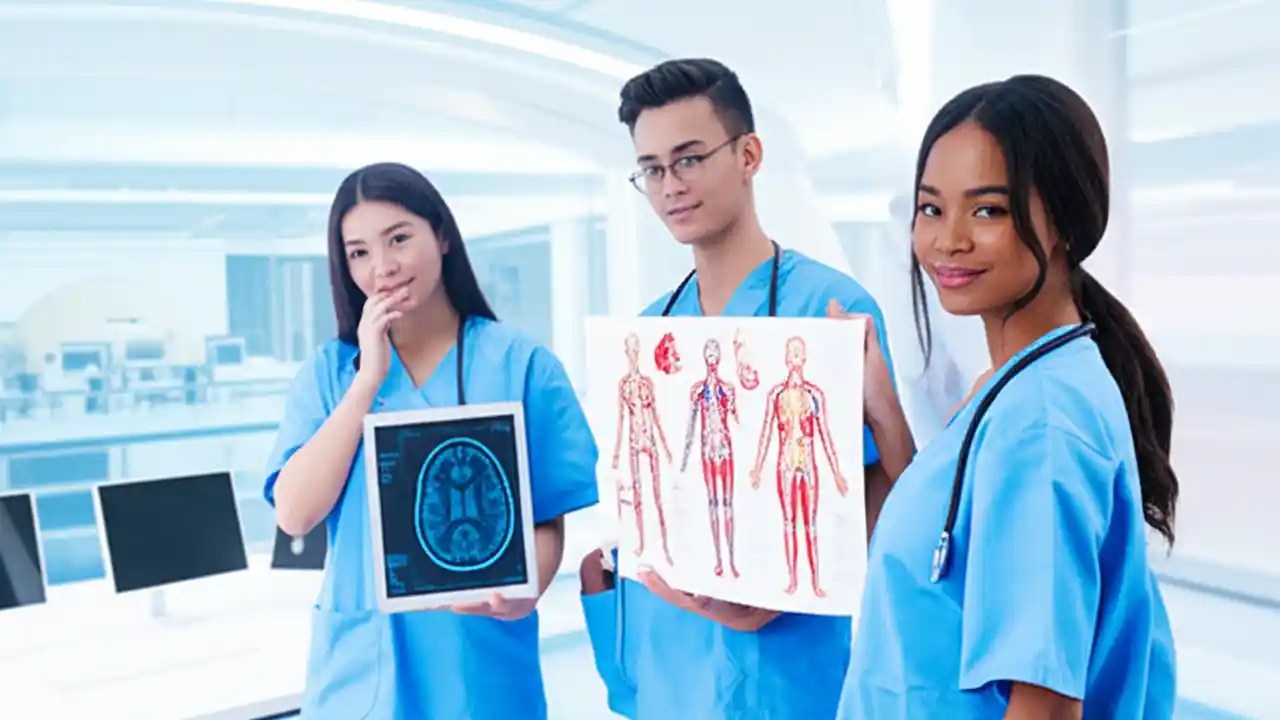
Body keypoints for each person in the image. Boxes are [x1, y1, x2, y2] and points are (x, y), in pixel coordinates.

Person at [578, 57, 914, 720]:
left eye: (690, 158)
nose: (670, 185)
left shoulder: (832, 311)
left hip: (785, 678)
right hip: (669, 670)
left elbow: (880, 495)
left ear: (749, 154)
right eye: (651, 169)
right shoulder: (651, 331)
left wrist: (767, 599)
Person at [838, 74, 1178, 718]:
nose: (949, 240)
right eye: (932, 208)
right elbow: (941, 569)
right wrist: (883, 410)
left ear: (1066, 223)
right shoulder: (1021, 385)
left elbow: (1043, 705)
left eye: (988, 210)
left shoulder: (1041, 423)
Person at [263, 162, 599, 719]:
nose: (383, 267)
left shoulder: (522, 364)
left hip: (479, 667)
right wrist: (366, 381)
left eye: (398, 238)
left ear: (441, 235)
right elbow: (296, 515)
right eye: (359, 253)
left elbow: (545, 522)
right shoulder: (330, 372)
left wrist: (526, 589)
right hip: (359, 673)